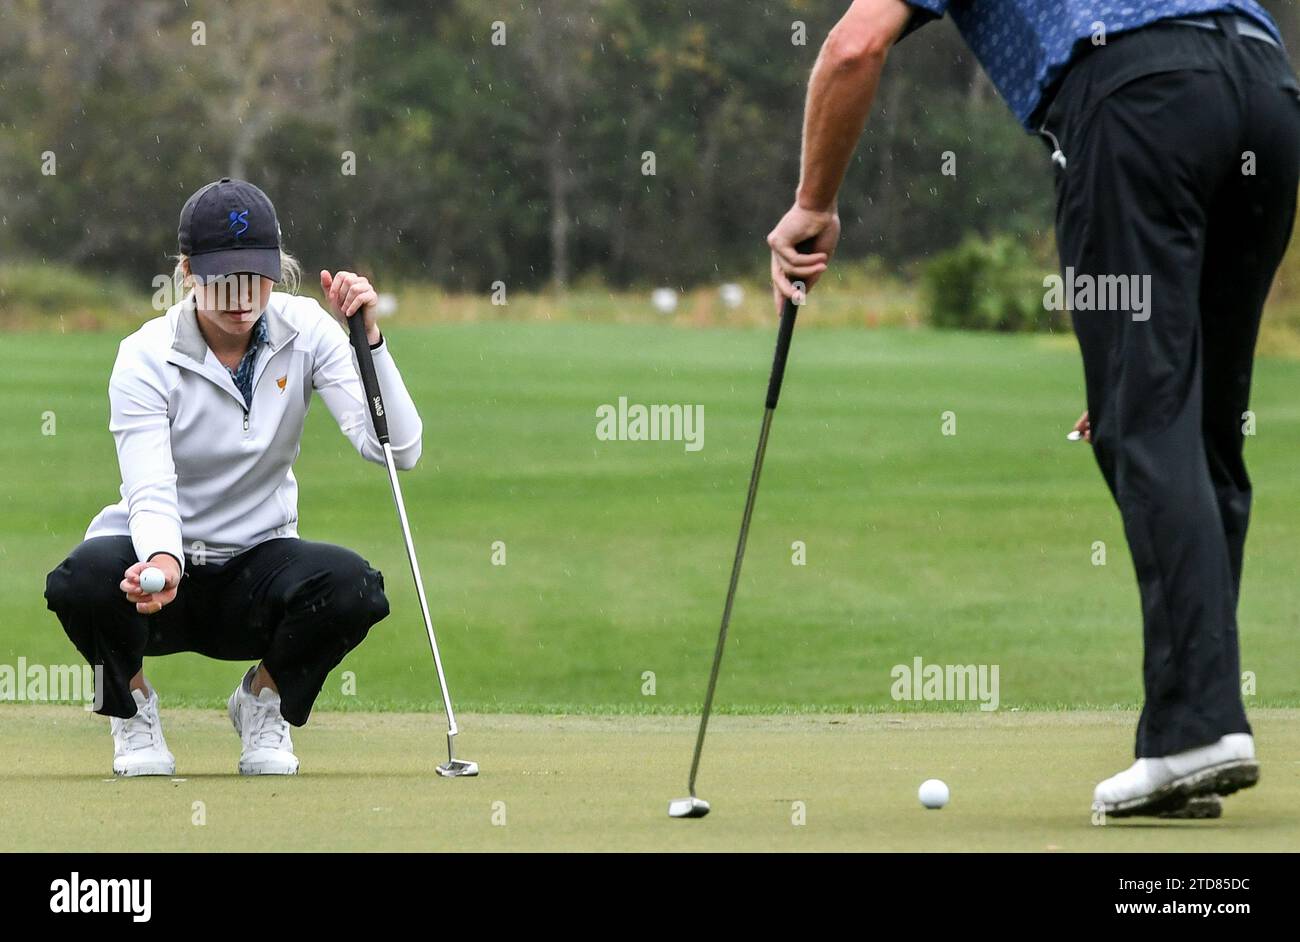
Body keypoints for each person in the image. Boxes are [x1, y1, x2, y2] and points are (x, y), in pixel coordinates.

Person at [767, 1, 1299, 817]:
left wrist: (813, 203)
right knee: (1200, 431)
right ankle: (1182, 737)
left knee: (1149, 422)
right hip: (1267, 94)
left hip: (1140, 100)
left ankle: (1197, 729)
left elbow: (851, 48)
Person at [44, 177, 424, 776]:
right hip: (158, 574)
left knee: (355, 587)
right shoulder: (144, 355)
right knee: (80, 581)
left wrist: (368, 338)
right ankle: (132, 708)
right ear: (189, 270)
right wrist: (163, 560)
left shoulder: (310, 332)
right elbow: (149, 485)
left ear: (276, 270)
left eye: (255, 273)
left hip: (258, 570)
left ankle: (262, 700)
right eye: (224, 274)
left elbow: (398, 449)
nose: (241, 292)